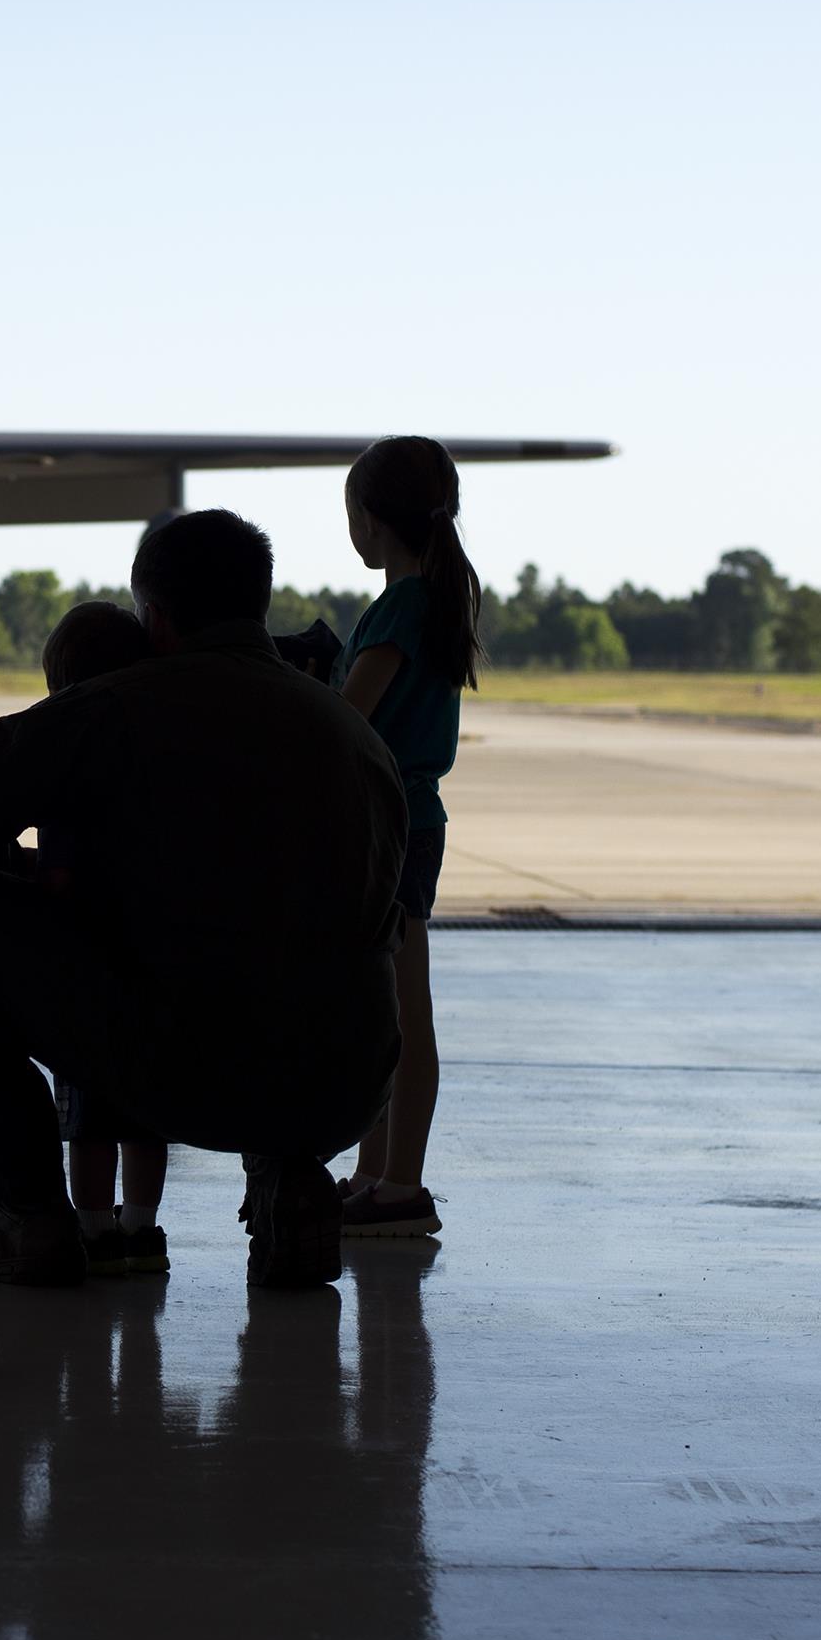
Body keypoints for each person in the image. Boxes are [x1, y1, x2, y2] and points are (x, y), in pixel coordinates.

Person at [0, 509, 406, 1290]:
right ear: (258, 604)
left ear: (152, 616)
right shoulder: (355, 734)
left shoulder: (119, 706)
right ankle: (287, 1177)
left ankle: (29, 1215)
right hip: (343, 1087)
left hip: (186, 1072)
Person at [334, 437, 480, 1238]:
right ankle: (376, 1171)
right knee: (386, 1007)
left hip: (390, 823)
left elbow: (349, 717)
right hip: (407, 819)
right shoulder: (433, 601)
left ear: (373, 521)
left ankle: (400, 1183)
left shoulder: (400, 609)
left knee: (398, 1014)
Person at [34, 600, 169, 1274]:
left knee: (88, 1122)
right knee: (146, 1119)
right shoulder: (161, 763)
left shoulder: (71, 768)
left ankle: (92, 1231)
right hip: (156, 971)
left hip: (90, 975)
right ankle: (143, 1232)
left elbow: (58, 876)